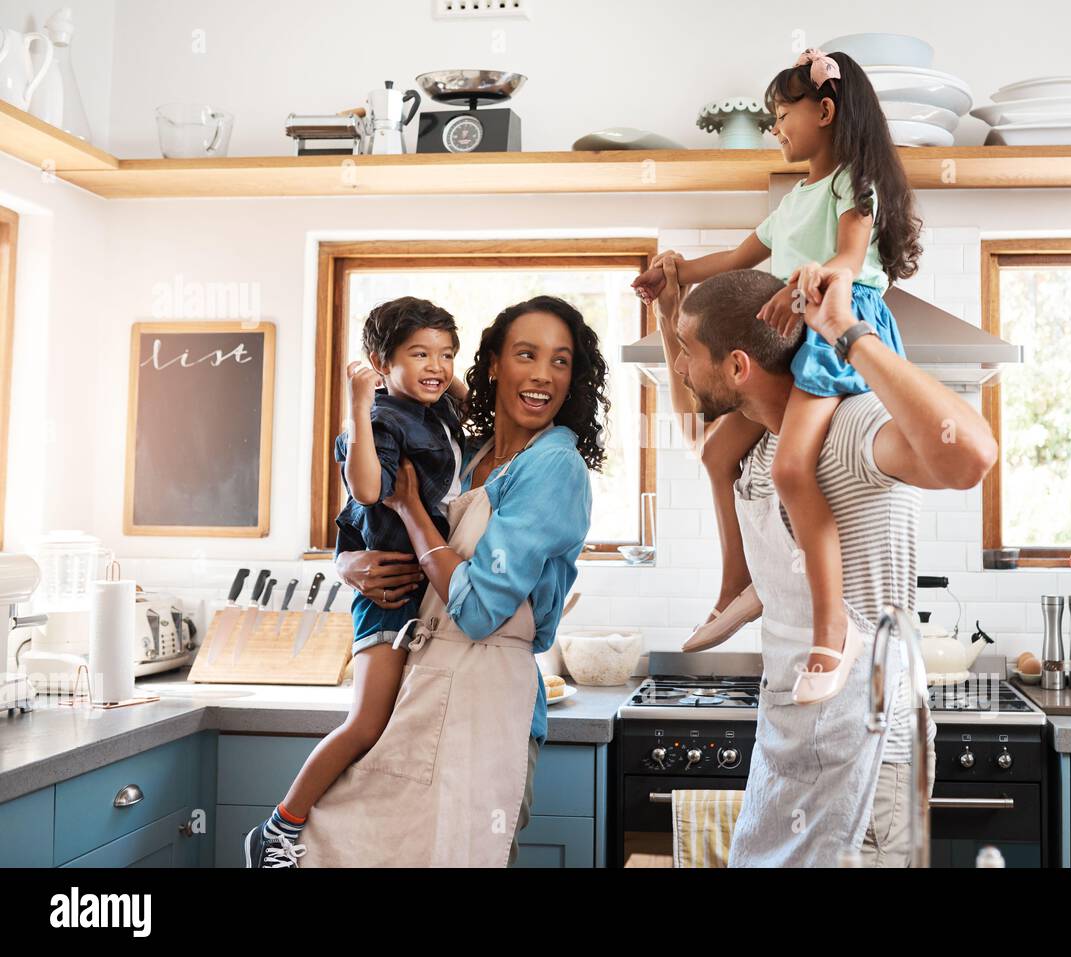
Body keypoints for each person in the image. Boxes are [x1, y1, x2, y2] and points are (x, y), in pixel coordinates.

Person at [653, 255, 997, 866]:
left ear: (738, 366)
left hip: (867, 754)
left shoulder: (849, 428)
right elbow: (698, 418)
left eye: (687, 351)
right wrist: (667, 312)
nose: (678, 366)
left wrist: (848, 331)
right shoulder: (754, 444)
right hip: (792, 736)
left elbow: (969, 456)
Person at [632, 48, 923, 705]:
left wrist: (817, 277)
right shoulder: (794, 198)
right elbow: (738, 258)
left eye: (782, 113)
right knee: (716, 452)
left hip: (832, 329)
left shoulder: (856, 181)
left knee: (792, 469)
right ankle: (738, 581)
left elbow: (851, 256)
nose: (776, 128)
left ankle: (833, 629)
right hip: (788, 339)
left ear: (824, 110)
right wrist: (674, 275)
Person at [302, 295, 608, 867]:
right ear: (493, 364)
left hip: (489, 703)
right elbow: (371, 505)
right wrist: (347, 563)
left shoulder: (554, 465)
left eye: (561, 361)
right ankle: (278, 831)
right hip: (424, 692)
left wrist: (415, 514)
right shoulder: (468, 452)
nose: (543, 374)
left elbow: (479, 610)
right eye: (525, 354)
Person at [245, 296, 464, 868]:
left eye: (445, 353)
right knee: (367, 724)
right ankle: (277, 828)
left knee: (392, 730)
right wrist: (359, 401)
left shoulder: (433, 408)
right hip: (389, 593)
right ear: (379, 360)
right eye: (419, 353)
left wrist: (443, 373)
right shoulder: (380, 419)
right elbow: (368, 489)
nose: (436, 365)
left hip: (418, 590)